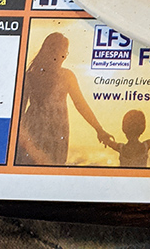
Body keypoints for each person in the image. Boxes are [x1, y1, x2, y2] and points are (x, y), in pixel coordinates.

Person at [15, 31, 112, 165]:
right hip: (54, 133)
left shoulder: (31, 75)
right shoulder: (64, 76)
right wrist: (99, 130)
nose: (63, 57)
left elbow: (19, 114)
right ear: (51, 52)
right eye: (63, 52)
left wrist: (99, 130)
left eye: (65, 53)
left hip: (39, 131)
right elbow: (81, 105)